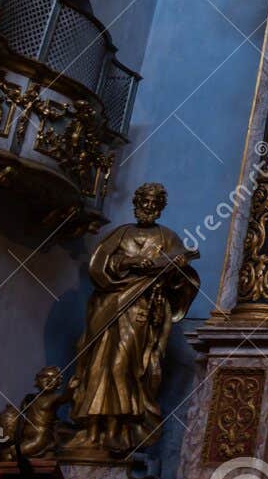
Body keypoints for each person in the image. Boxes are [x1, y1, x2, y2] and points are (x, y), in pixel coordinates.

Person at [64, 184, 200, 456]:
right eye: (144, 201)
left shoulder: (167, 238)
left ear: (160, 207)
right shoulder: (120, 234)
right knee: (96, 366)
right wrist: (129, 262)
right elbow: (99, 267)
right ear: (136, 203)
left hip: (140, 311)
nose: (148, 207)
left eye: (154, 203)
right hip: (109, 305)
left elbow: (180, 282)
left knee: (123, 368)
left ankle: (117, 430)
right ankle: (91, 430)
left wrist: (176, 270)